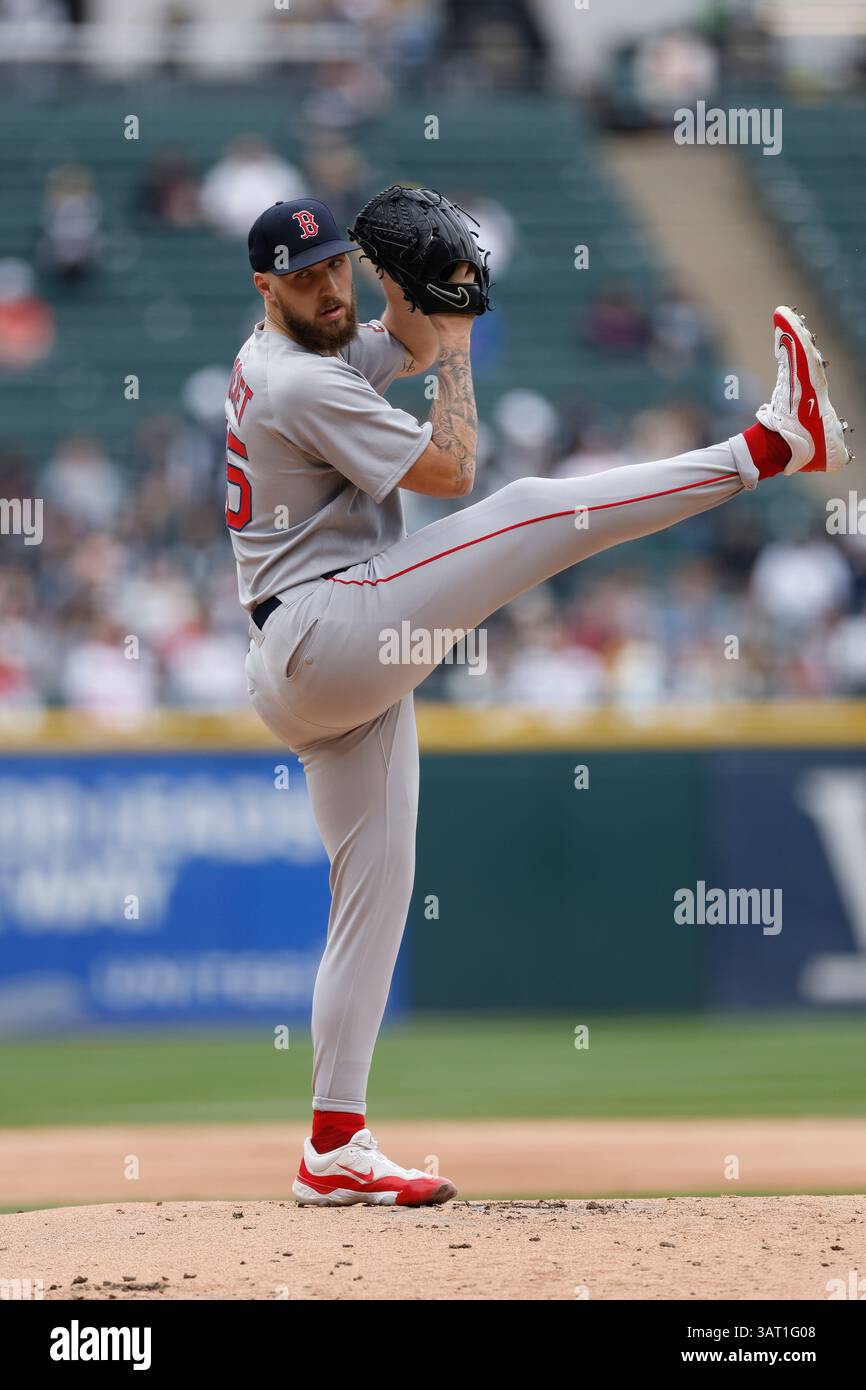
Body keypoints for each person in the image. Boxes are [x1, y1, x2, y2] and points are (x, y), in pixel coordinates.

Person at [224, 198, 850, 1207]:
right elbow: (452, 464)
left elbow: (406, 348)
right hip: (324, 633)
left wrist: (424, 304)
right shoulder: (297, 379)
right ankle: (771, 447)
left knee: (372, 900)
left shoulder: (306, 348)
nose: (328, 285)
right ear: (265, 286)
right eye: (304, 273)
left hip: (320, 663)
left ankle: (333, 1144)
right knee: (523, 508)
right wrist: (459, 335)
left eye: (337, 264)